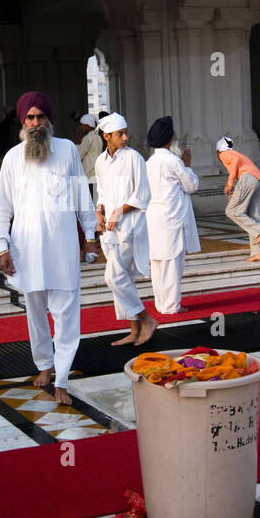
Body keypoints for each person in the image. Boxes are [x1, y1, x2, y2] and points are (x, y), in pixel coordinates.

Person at [0, 91, 99, 404]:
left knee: (67, 315)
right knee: (35, 313)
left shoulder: (66, 151)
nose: (35, 123)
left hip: (63, 250)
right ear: (23, 122)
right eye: (30, 118)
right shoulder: (13, 158)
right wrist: (2, 246)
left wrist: (90, 234)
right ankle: (44, 366)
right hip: (27, 251)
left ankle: (61, 379)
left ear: (49, 119)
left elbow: (81, 194)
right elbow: (1, 207)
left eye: (40, 117)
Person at [94, 113, 157, 346]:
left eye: (125, 132)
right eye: (120, 134)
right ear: (106, 136)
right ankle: (134, 330)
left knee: (113, 276)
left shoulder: (134, 158)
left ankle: (146, 319)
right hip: (110, 229)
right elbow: (101, 192)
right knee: (123, 278)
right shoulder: (100, 161)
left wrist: (119, 210)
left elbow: (142, 195)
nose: (125, 137)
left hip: (130, 227)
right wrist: (99, 212)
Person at [145, 116, 200, 315]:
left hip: (155, 218)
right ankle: (171, 306)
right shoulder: (174, 161)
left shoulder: (149, 161)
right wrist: (187, 165)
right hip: (171, 218)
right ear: (170, 138)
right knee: (172, 265)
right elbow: (191, 186)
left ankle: (162, 304)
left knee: (159, 264)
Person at [216, 136, 260, 262]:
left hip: (247, 178)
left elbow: (235, 161)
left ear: (218, 151)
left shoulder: (225, 154)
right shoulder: (237, 153)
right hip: (259, 180)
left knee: (232, 211)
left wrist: (229, 183)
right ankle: (257, 252)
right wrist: (237, 191)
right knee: (254, 217)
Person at [76, 113, 104, 204]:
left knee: (88, 204)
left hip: (88, 176)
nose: (79, 127)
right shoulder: (98, 137)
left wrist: (78, 140)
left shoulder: (88, 138)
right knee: (96, 203)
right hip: (96, 174)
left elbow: (78, 155)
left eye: (81, 125)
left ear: (87, 125)